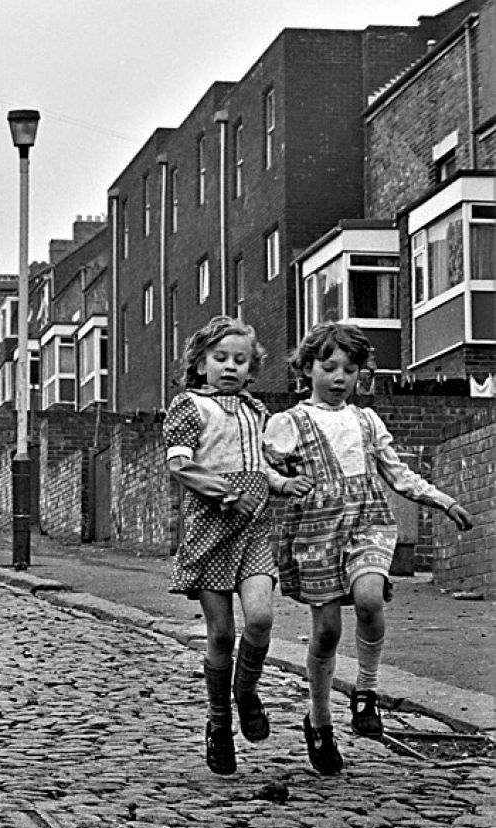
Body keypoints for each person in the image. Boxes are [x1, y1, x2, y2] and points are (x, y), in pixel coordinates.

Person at [264, 322, 474, 776]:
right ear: (307, 369)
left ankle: (366, 690)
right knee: (325, 634)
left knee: (369, 598)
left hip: (367, 522)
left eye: (350, 368)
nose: (340, 377)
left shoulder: (366, 420)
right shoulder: (289, 423)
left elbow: (398, 475)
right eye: (329, 367)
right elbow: (260, 469)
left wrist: (442, 499)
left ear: (361, 374)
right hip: (317, 530)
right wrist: (282, 482)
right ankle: (318, 721)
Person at [164, 315, 311, 776]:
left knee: (262, 618)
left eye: (240, 360)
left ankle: (245, 692)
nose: (230, 367)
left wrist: (282, 484)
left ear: (252, 368)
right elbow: (180, 465)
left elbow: (256, 466)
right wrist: (228, 495)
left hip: (253, 532)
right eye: (220, 358)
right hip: (211, 529)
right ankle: (218, 722)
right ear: (201, 363)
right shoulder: (189, 407)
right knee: (222, 635)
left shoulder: (255, 412)